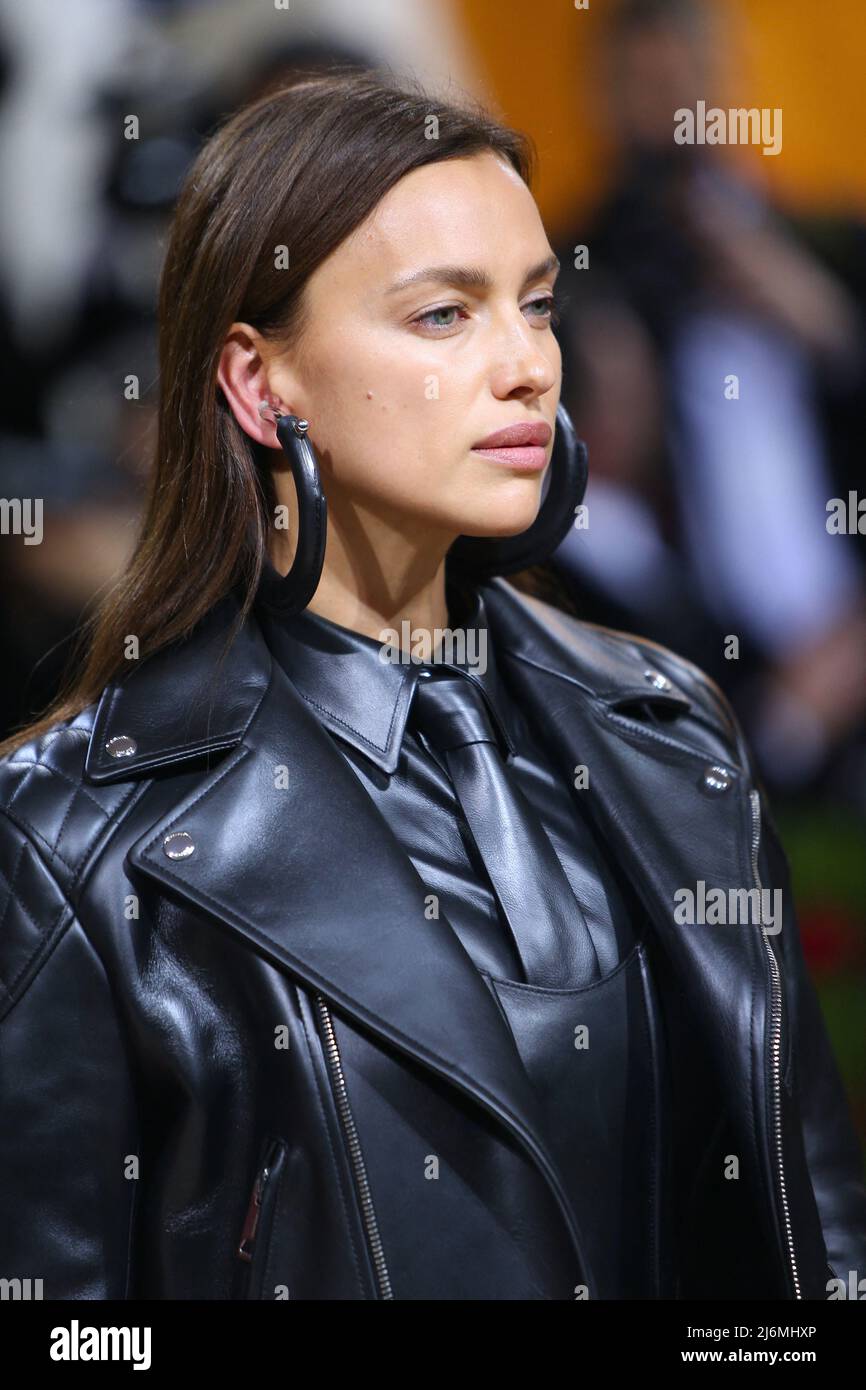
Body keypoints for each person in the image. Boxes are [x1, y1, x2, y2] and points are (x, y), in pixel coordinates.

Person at [0, 69, 864, 1302]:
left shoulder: (670, 730)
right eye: (442, 316)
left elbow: (814, 1233)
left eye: (534, 304)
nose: (524, 366)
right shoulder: (70, 839)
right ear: (259, 382)